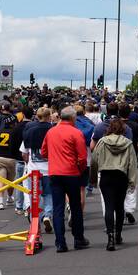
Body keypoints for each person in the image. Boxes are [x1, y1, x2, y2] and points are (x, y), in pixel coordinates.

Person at [41, 106, 89, 252]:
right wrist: (79, 170)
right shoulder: (76, 133)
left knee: (58, 208)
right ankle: (78, 238)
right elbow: (82, 157)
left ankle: (60, 242)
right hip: (71, 173)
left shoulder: (51, 131)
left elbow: (44, 152)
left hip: (55, 173)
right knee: (75, 207)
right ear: (73, 118)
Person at [91, 116, 138, 250]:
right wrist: (132, 182)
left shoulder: (102, 142)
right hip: (121, 177)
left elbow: (94, 160)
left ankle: (110, 236)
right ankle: (118, 234)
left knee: (109, 206)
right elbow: (132, 164)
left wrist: (93, 179)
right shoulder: (128, 143)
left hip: (106, 176)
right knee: (119, 207)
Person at [22, 106, 55, 231]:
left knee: (34, 196)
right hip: (49, 169)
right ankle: (47, 215)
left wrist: (28, 162)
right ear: (49, 116)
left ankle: (35, 221)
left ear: (37, 116)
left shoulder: (29, 130)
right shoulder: (52, 130)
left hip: (33, 169)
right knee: (49, 194)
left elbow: (24, 152)